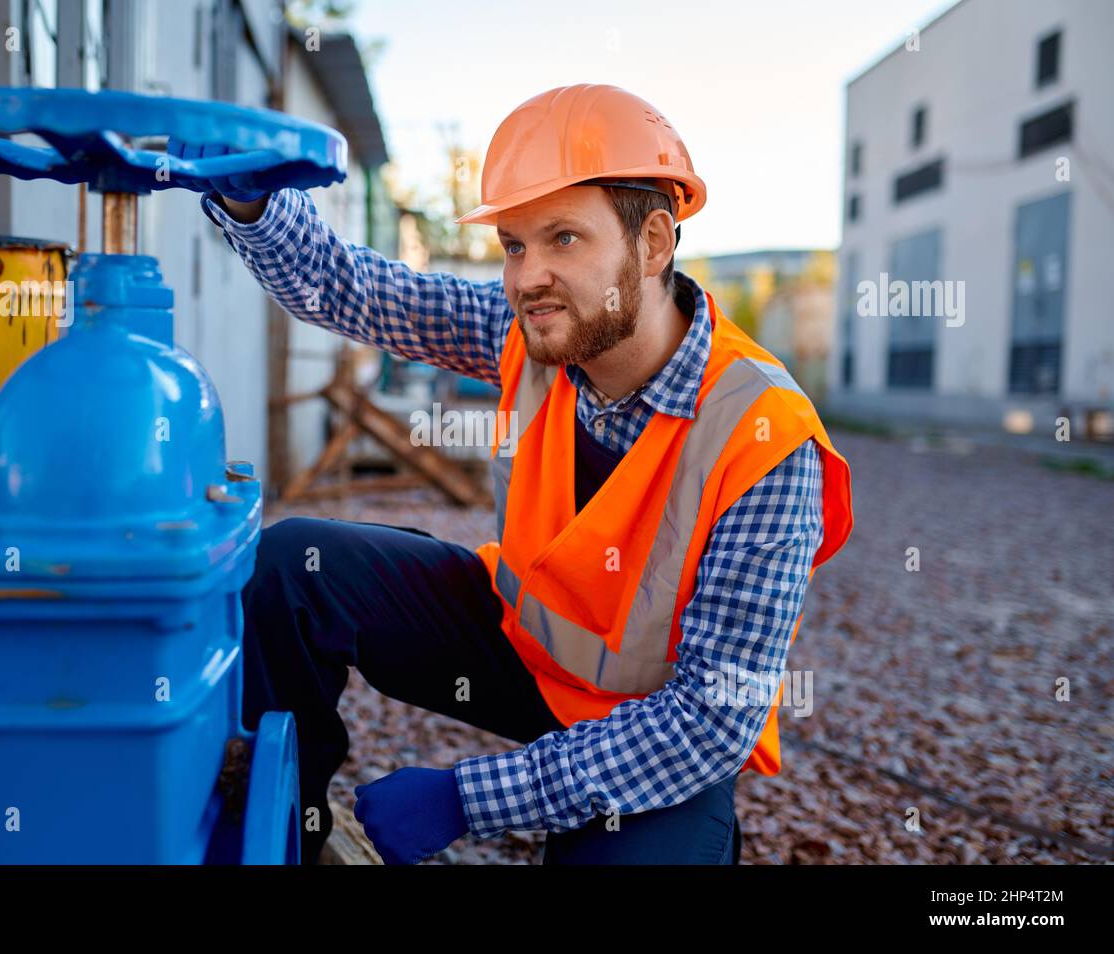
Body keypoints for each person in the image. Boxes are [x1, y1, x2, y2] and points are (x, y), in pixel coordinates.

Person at [170, 83, 854, 865]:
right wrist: (255, 209)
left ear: (655, 243)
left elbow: (708, 722)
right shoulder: (531, 329)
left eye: (564, 238)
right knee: (295, 566)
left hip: (658, 722)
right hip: (523, 652)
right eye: (514, 244)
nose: (528, 277)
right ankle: (284, 834)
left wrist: (467, 799)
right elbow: (357, 291)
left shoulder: (766, 437)